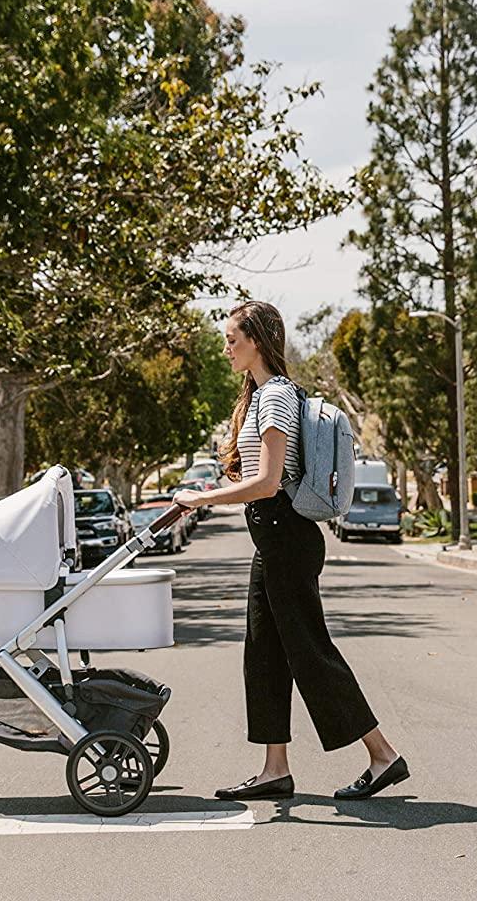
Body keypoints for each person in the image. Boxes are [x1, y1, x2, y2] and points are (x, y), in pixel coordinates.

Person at [172, 300, 409, 801]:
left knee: (310, 652)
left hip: (287, 537)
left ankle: (382, 755)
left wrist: (202, 498)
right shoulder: (260, 396)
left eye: (232, 340)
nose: (226, 348)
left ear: (256, 341)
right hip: (272, 540)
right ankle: (274, 769)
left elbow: (268, 482)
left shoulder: (277, 396)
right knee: (264, 654)